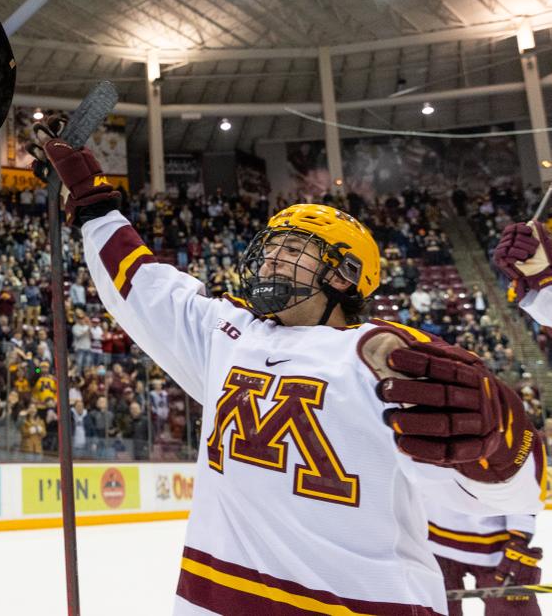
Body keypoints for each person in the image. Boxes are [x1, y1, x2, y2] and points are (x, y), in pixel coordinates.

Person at [29, 121, 544, 616]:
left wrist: (499, 439)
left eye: (294, 248)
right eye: (270, 246)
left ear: (345, 276)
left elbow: (499, 492)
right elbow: (140, 283)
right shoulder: (226, 334)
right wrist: (96, 205)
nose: (272, 257)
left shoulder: (386, 353)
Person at [426, 500, 541, 616]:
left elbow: (523, 484)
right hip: (434, 542)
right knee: (434, 608)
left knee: (514, 608)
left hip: (497, 547)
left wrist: (519, 535)